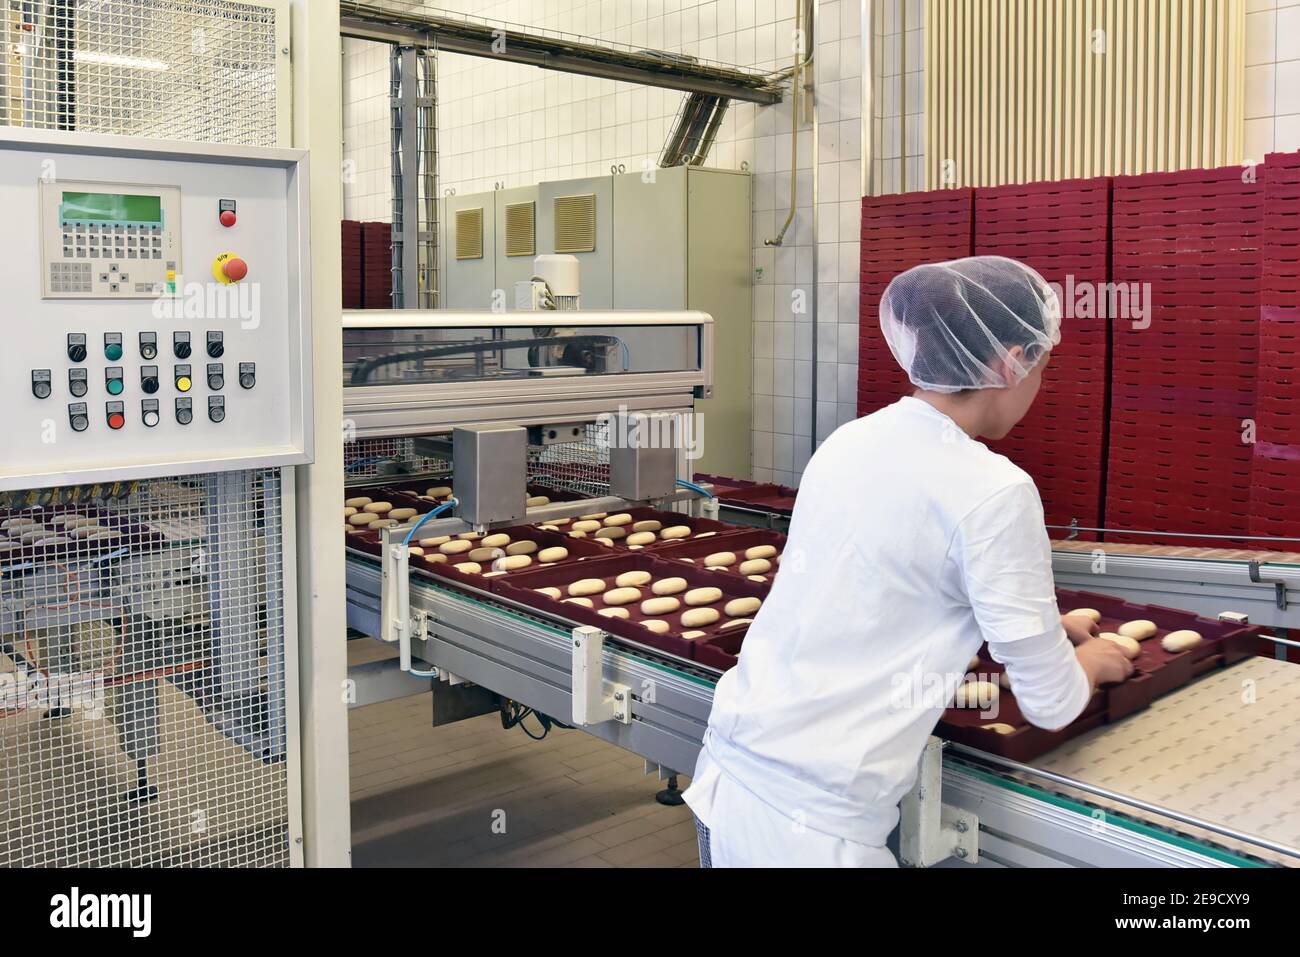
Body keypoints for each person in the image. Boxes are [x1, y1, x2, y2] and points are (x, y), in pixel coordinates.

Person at [684, 256, 1134, 868]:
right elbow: (1050, 702)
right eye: (1041, 368)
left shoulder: (851, 441)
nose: (1038, 387)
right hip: (813, 830)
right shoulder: (996, 489)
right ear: (1013, 360)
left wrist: (1045, 632)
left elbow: (890, 596)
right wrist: (1089, 662)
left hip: (729, 777)